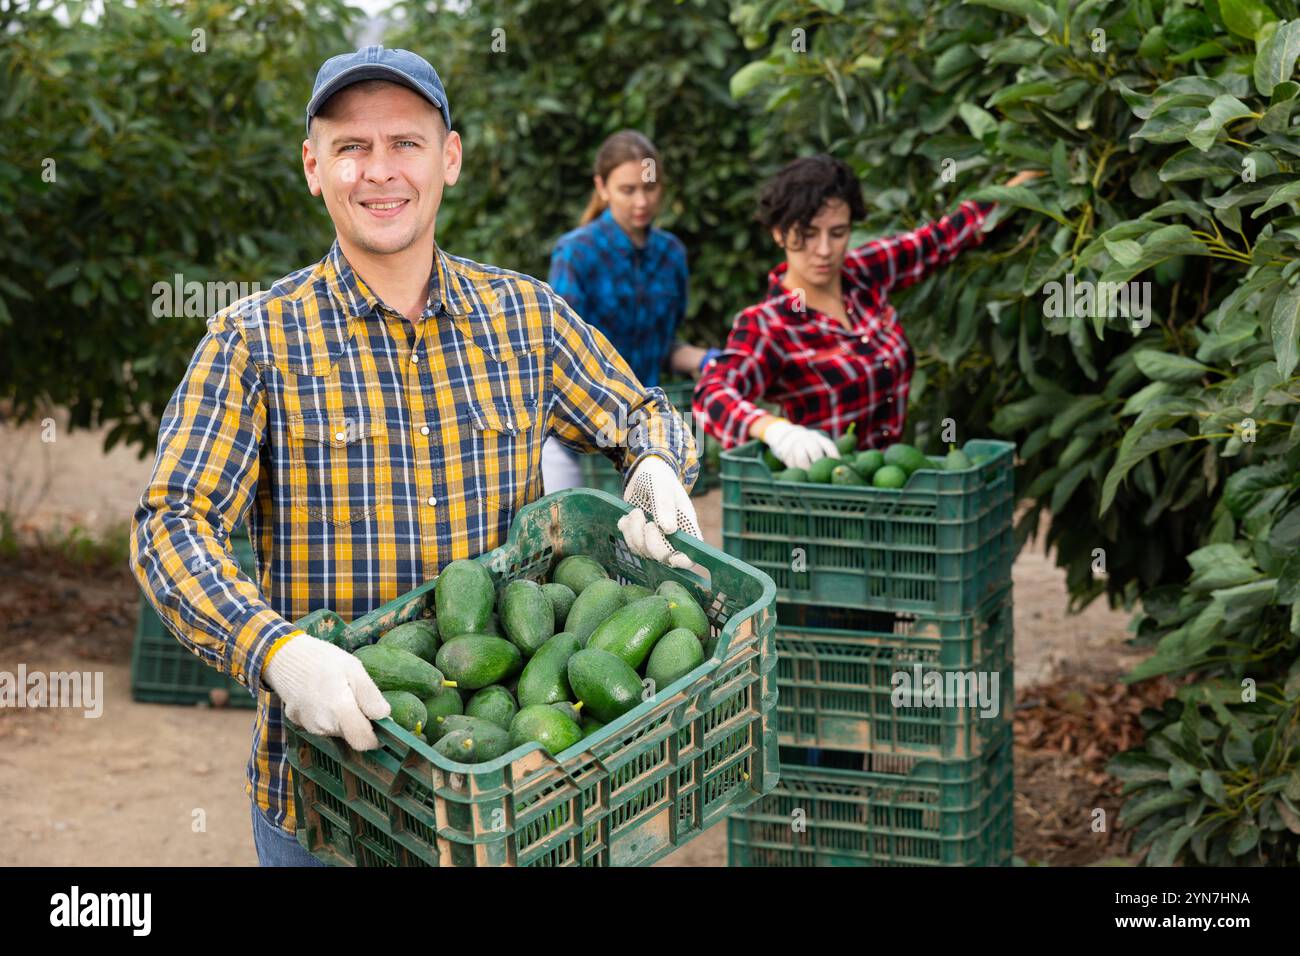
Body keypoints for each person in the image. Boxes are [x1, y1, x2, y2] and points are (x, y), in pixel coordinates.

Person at [128, 46, 701, 867]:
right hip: (329, 802)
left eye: (405, 143)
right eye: (351, 148)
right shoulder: (252, 340)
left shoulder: (525, 318)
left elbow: (641, 411)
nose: (379, 172)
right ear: (313, 168)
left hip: (509, 791)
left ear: (451, 158)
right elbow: (169, 527)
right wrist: (275, 652)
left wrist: (654, 465)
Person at [694, 153, 1041, 468]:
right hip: (824, 500)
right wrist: (777, 431)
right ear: (778, 233)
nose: (824, 250)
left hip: (889, 485)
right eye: (807, 234)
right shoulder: (769, 324)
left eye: (838, 232)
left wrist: (1028, 181)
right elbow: (711, 394)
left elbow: (941, 239)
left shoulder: (863, 274)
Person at [541, 130, 714, 492]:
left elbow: (662, 345)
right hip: (582, 433)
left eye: (649, 188)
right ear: (602, 187)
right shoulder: (576, 253)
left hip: (646, 431)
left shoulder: (671, 254)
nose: (641, 201)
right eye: (627, 190)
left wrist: (707, 359)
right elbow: (562, 353)